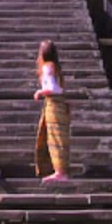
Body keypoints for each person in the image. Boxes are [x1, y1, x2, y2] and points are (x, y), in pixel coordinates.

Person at [33, 40, 71, 182]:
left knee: (55, 137)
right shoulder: (55, 67)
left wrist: (40, 92)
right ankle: (59, 169)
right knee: (57, 136)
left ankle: (60, 172)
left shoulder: (48, 67)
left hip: (54, 103)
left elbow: (53, 88)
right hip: (59, 103)